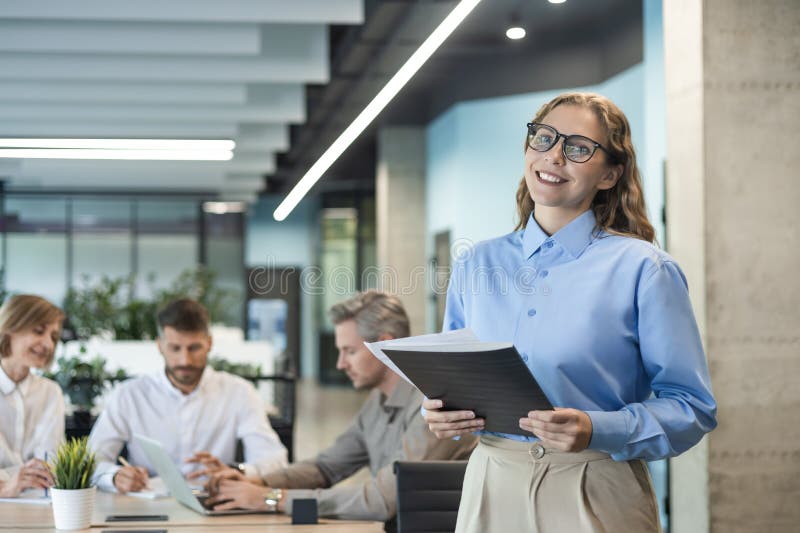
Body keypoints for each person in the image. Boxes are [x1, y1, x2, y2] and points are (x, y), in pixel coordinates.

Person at [422, 92, 718, 532]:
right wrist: (442, 414)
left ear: (609, 174)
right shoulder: (476, 264)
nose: (554, 156)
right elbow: (454, 380)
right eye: (544, 138)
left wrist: (597, 428)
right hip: (491, 486)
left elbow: (693, 408)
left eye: (579, 148)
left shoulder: (644, 269)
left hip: (595, 486)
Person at [203, 290, 477, 522]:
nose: (340, 364)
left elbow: (381, 500)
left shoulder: (434, 406)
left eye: (350, 351)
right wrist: (257, 482)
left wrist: (272, 499)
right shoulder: (378, 400)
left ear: (384, 345)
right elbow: (327, 466)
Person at [88, 298, 287, 493]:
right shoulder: (129, 395)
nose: (185, 360)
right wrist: (114, 476)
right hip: (145, 506)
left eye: (194, 348)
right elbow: (91, 460)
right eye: (175, 348)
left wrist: (238, 471)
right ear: (160, 346)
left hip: (215, 503)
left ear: (209, 344)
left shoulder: (239, 392)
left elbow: (275, 460)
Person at [0, 294, 64, 498]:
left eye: (53, 337)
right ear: (10, 327)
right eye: (38, 331)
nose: (48, 344)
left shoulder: (50, 392)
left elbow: (51, 465)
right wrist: (9, 486)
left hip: (36, 506)